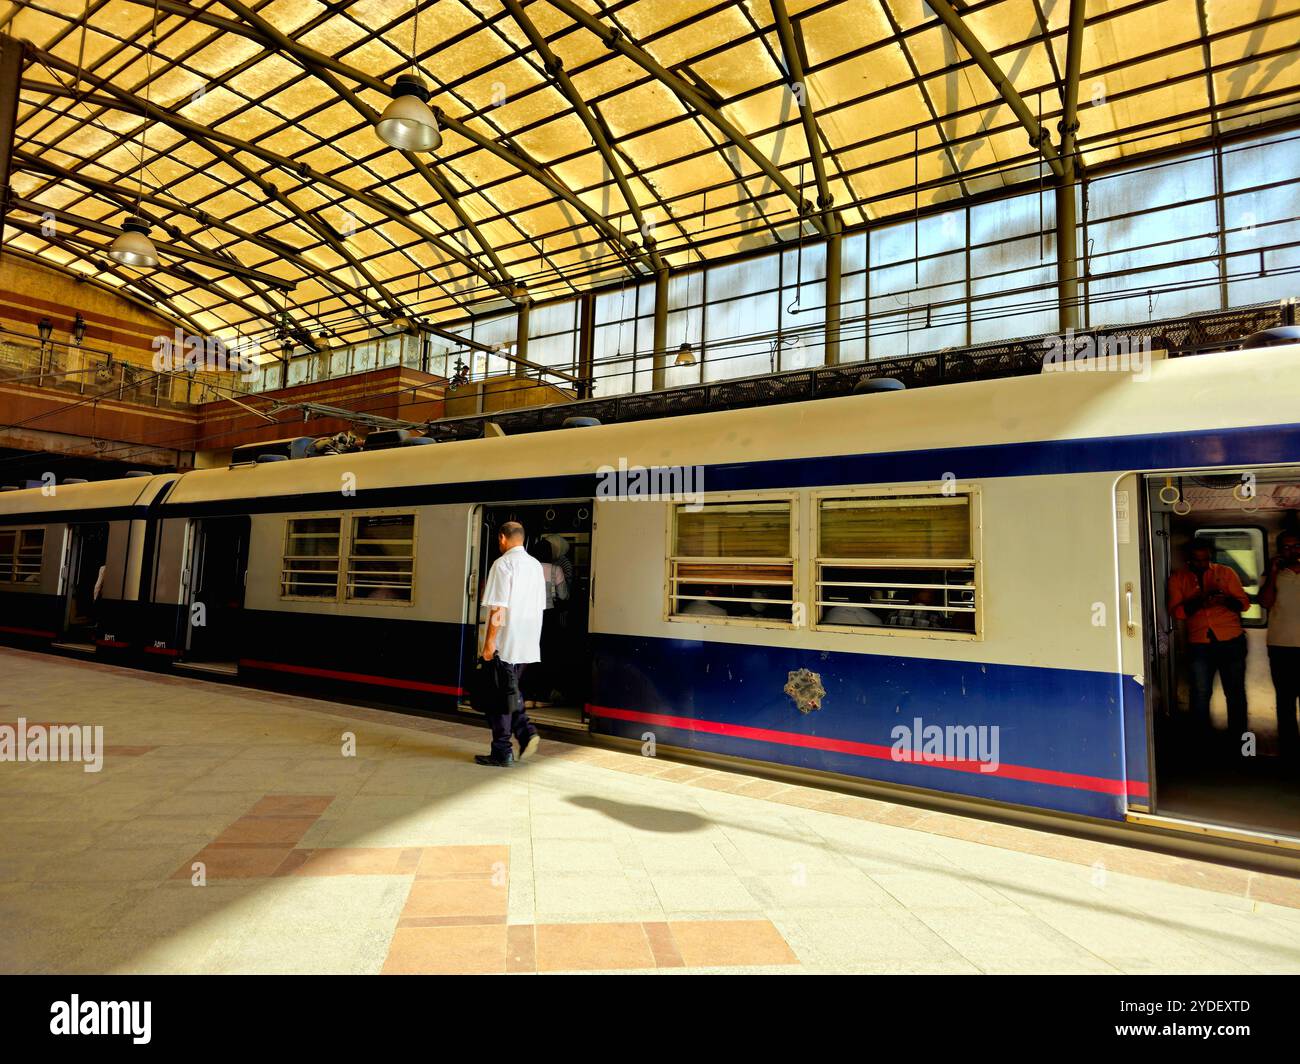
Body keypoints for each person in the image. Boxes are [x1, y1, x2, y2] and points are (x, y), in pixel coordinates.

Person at [1168, 538, 1251, 745]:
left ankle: (1240, 742)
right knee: (1200, 694)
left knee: (1235, 692)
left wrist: (1224, 600)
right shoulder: (1178, 579)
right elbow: (1177, 612)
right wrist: (1201, 601)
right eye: (1197, 560)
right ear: (1188, 560)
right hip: (1200, 643)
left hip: (1231, 640)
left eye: (1206, 559)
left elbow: (1244, 604)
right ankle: (1201, 743)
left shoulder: (1225, 573)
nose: (1202, 564)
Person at [475, 521, 546, 767]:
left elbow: (498, 608)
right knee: (509, 692)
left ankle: (503, 750)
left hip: (506, 645)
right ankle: (525, 734)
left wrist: (489, 644)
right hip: (527, 643)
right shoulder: (536, 566)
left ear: (503, 538)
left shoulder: (503, 564)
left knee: (499, 700)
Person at [1261, 530, 1300, 762]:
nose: (1292, 551)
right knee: (1285, 700)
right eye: (1286, 547)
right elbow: (1265, 602)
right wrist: (1274, 573)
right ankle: (1290, 751)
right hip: (1281, 645)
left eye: (1296, 547)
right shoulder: (1273, 574)